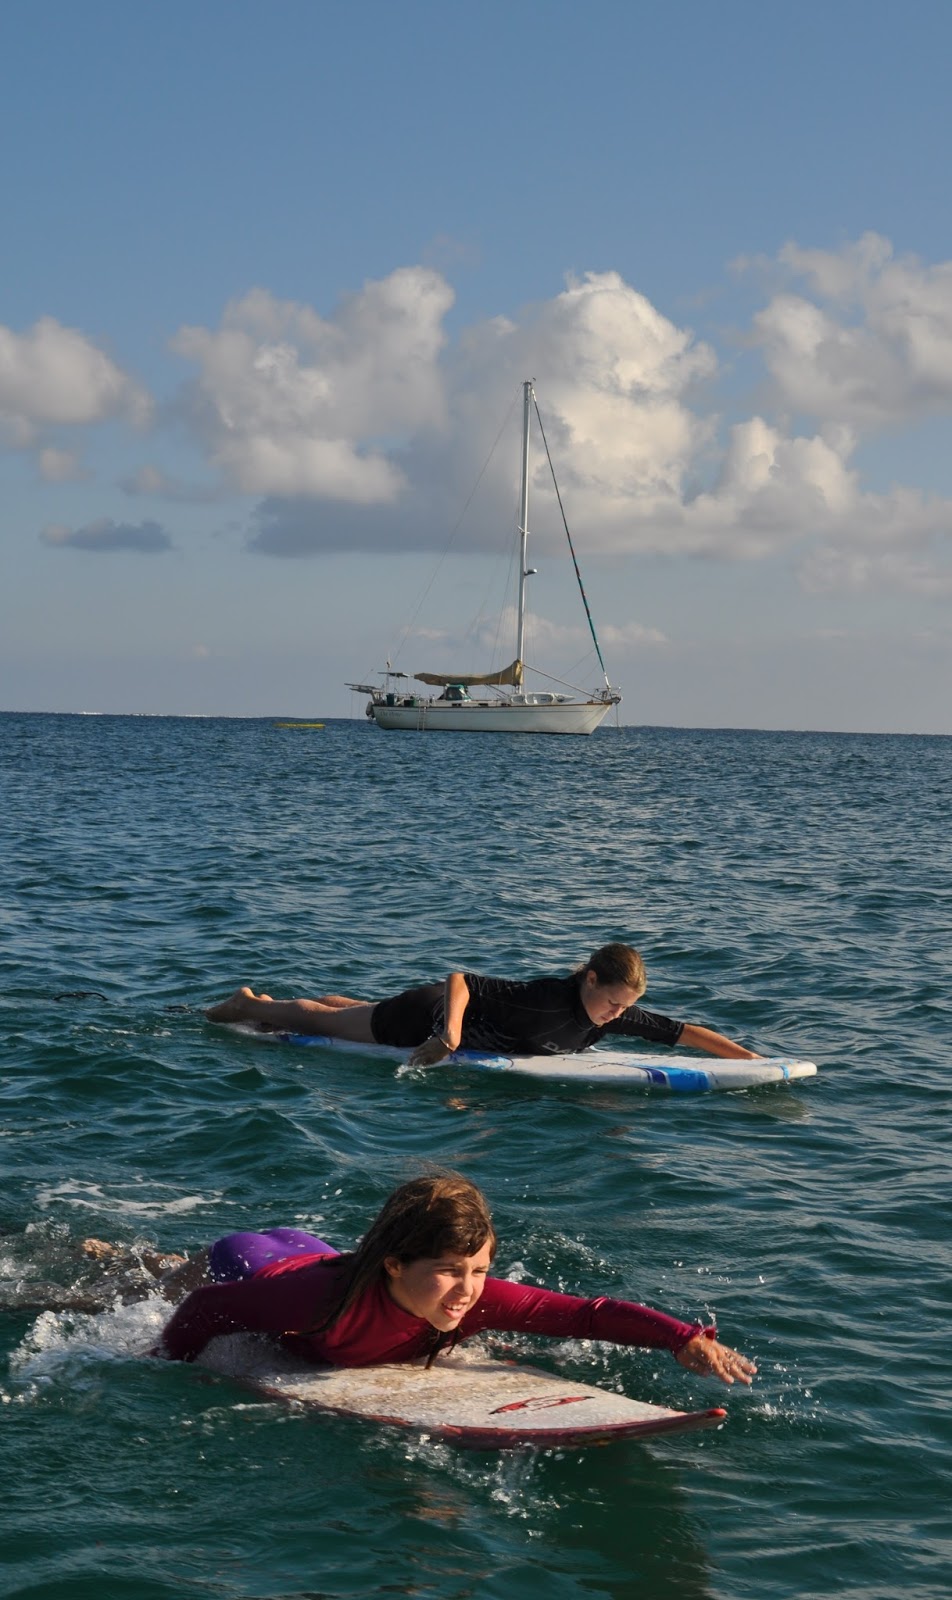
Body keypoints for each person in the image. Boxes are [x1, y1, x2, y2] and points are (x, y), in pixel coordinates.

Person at [157, 1173, 756, 1386]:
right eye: (449, 1271)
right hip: (255, 1260)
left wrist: (683, 1338)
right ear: (394, 1264)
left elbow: (585, 1314)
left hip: (320, 1249)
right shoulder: (319, 1301)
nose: (468, 1288)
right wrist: (170, 1363)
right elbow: (206, 1309)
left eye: (479, 1270)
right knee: (154, 1290)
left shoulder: (475, 1299)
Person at [204, 942, 760, 1066]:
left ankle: (322, 1002)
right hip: (420, 1018)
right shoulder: (546, 997)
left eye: (624, 1009)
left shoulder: (615, 1013)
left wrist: (752, 1062)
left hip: (439, 1021)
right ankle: (246, 1003)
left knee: (339, 1009)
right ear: (590, 980)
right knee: (313, 1022)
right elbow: (459, 979)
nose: (617, 1016)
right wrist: (447, 1035)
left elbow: (684, 1032)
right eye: (612, 1004)